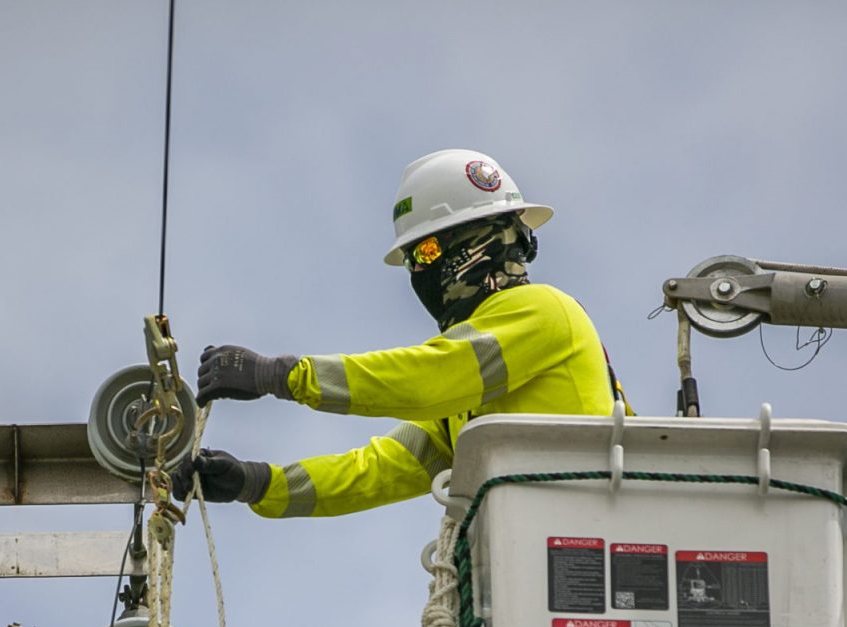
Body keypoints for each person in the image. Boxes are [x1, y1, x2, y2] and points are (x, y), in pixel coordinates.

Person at [175, 148, 622, 517]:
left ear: (477, 239)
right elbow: (375, 470)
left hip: (583, 530)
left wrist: (282, 375)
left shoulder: (543, 311)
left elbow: (431, 375)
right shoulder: (460, 413)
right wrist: (258, 482)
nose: (421, 271)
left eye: (427, 250)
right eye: (413, 259)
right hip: (531, 556)